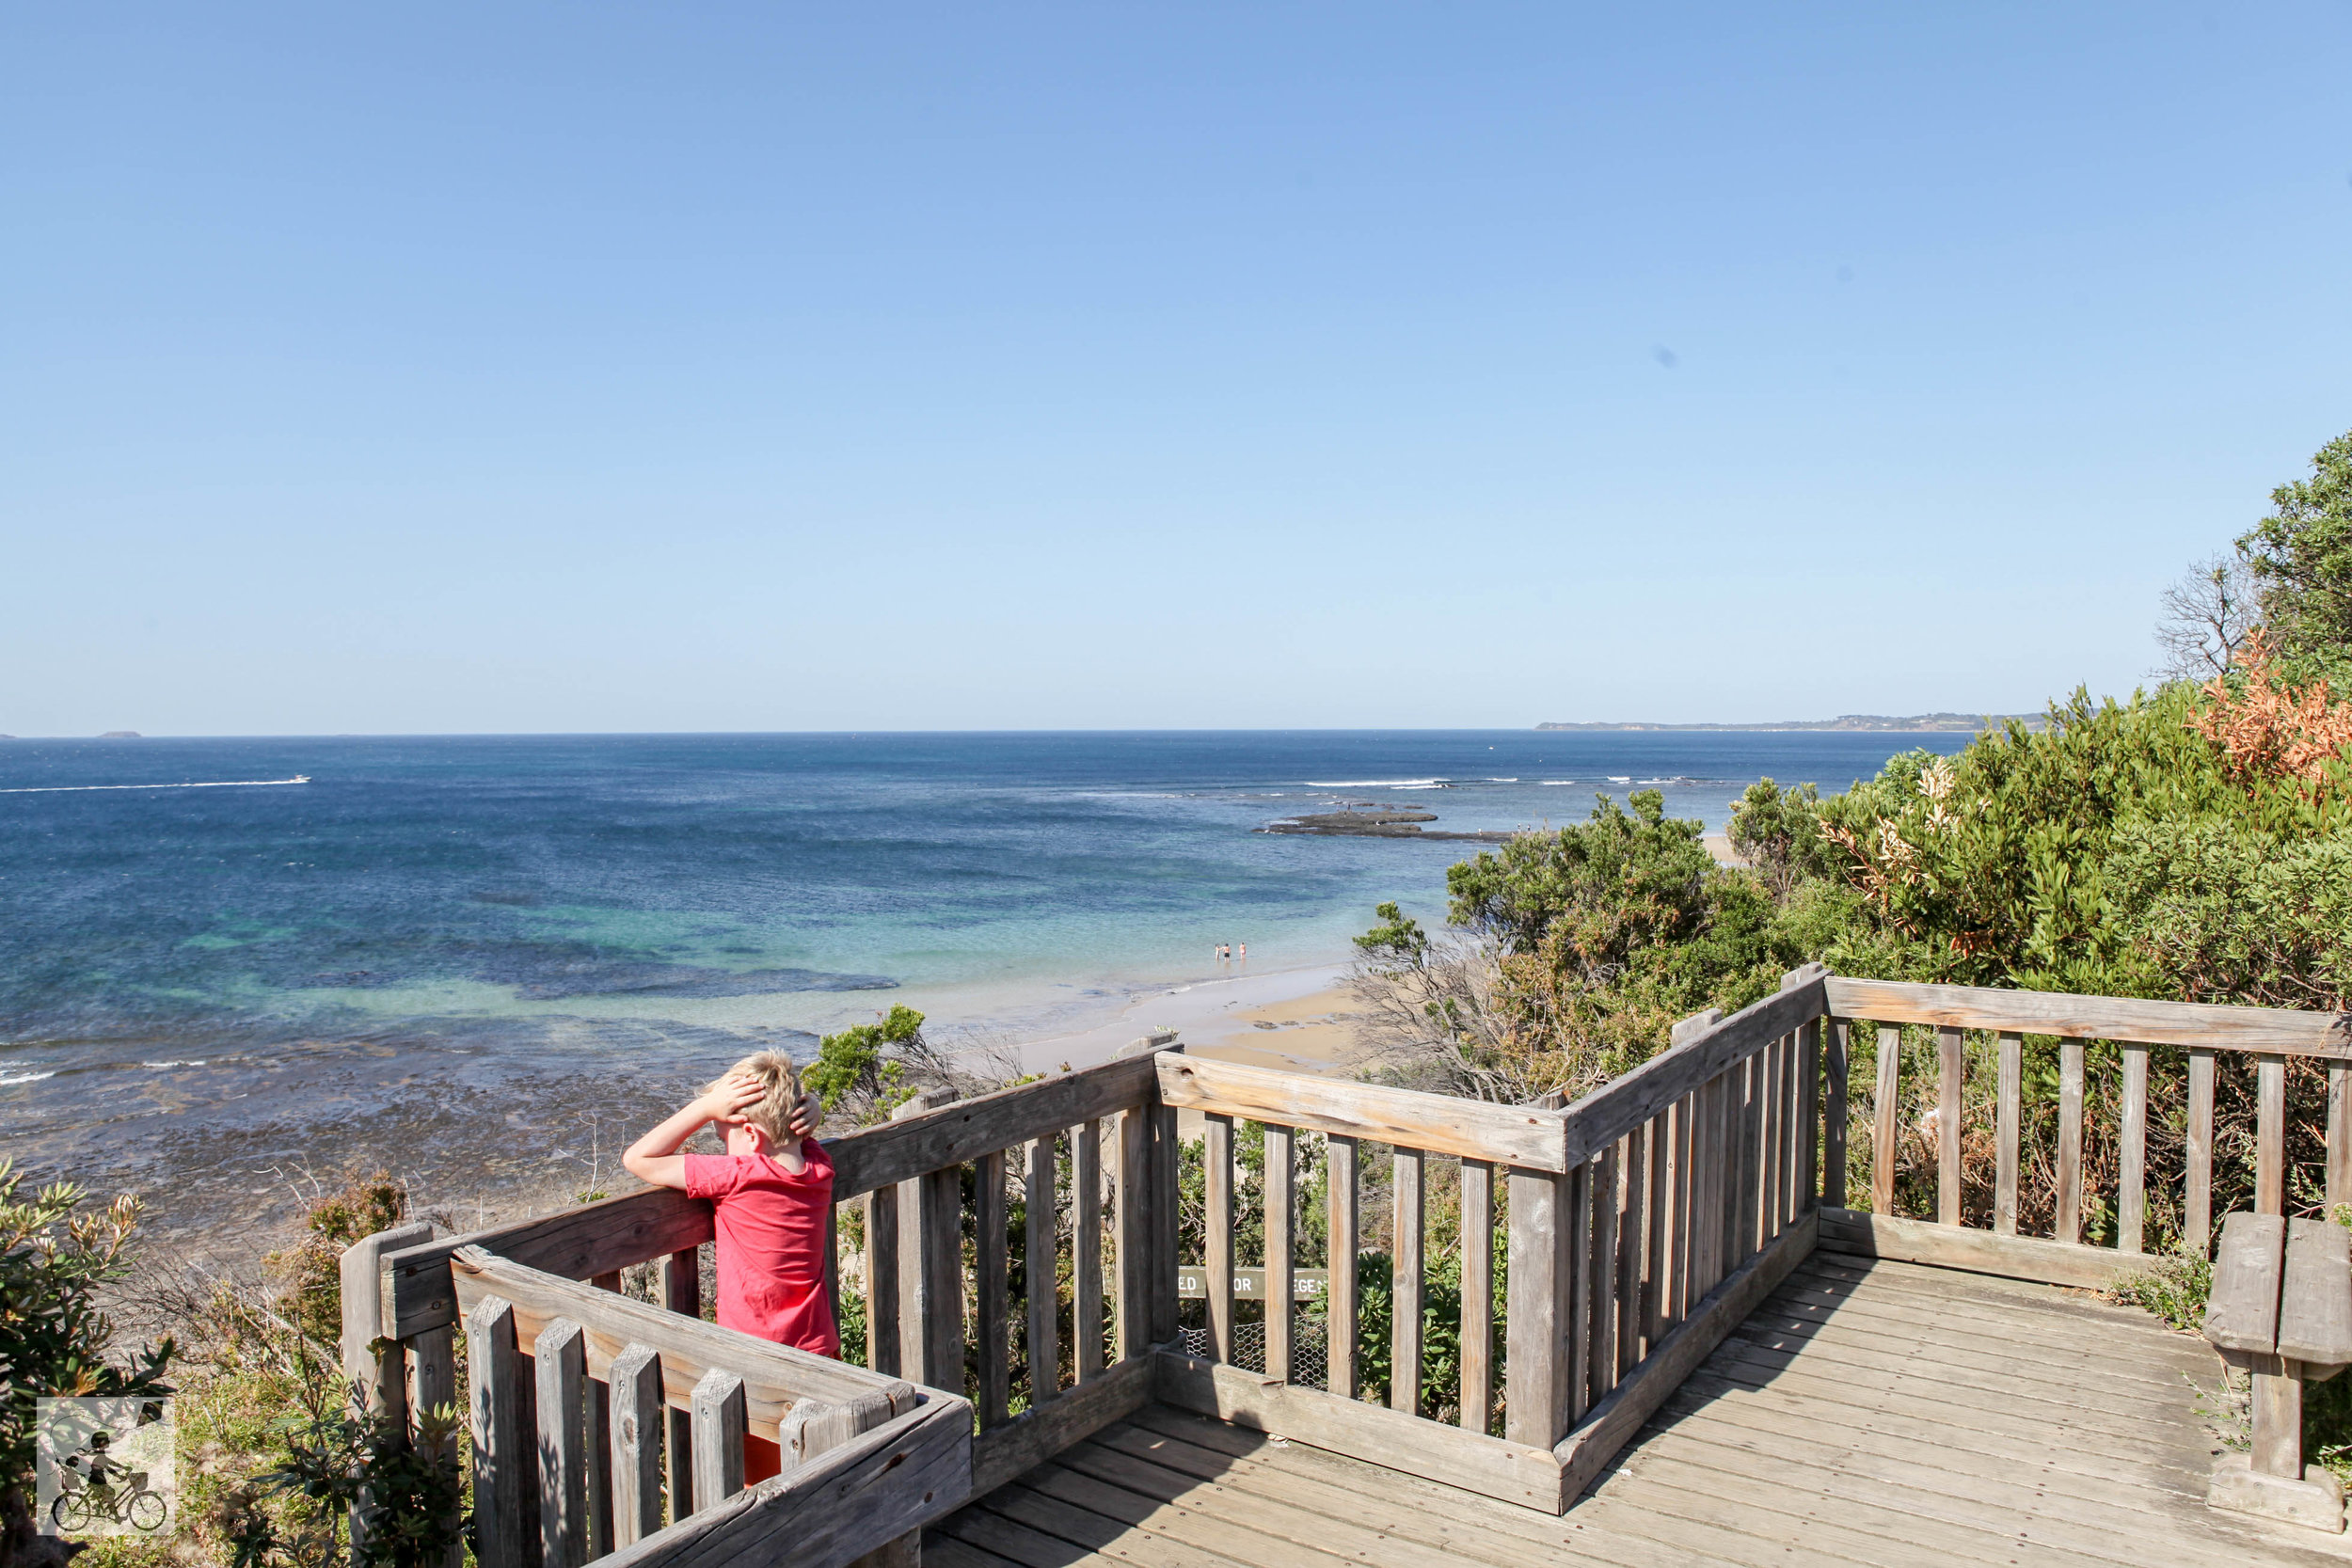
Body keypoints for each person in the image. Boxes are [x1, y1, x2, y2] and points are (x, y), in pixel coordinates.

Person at [626, 1053, 830, 1481]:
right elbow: (798, 1143)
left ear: (751, 1136)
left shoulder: (737, 1175)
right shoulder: (818, 1170)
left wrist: (703, 1109)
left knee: (765, 1487)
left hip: (753, 1360)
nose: (723, 1147)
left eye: (724, 1137)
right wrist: (813, 1110)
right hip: (819, 1351)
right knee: (819, 1472)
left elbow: (638, 1159)